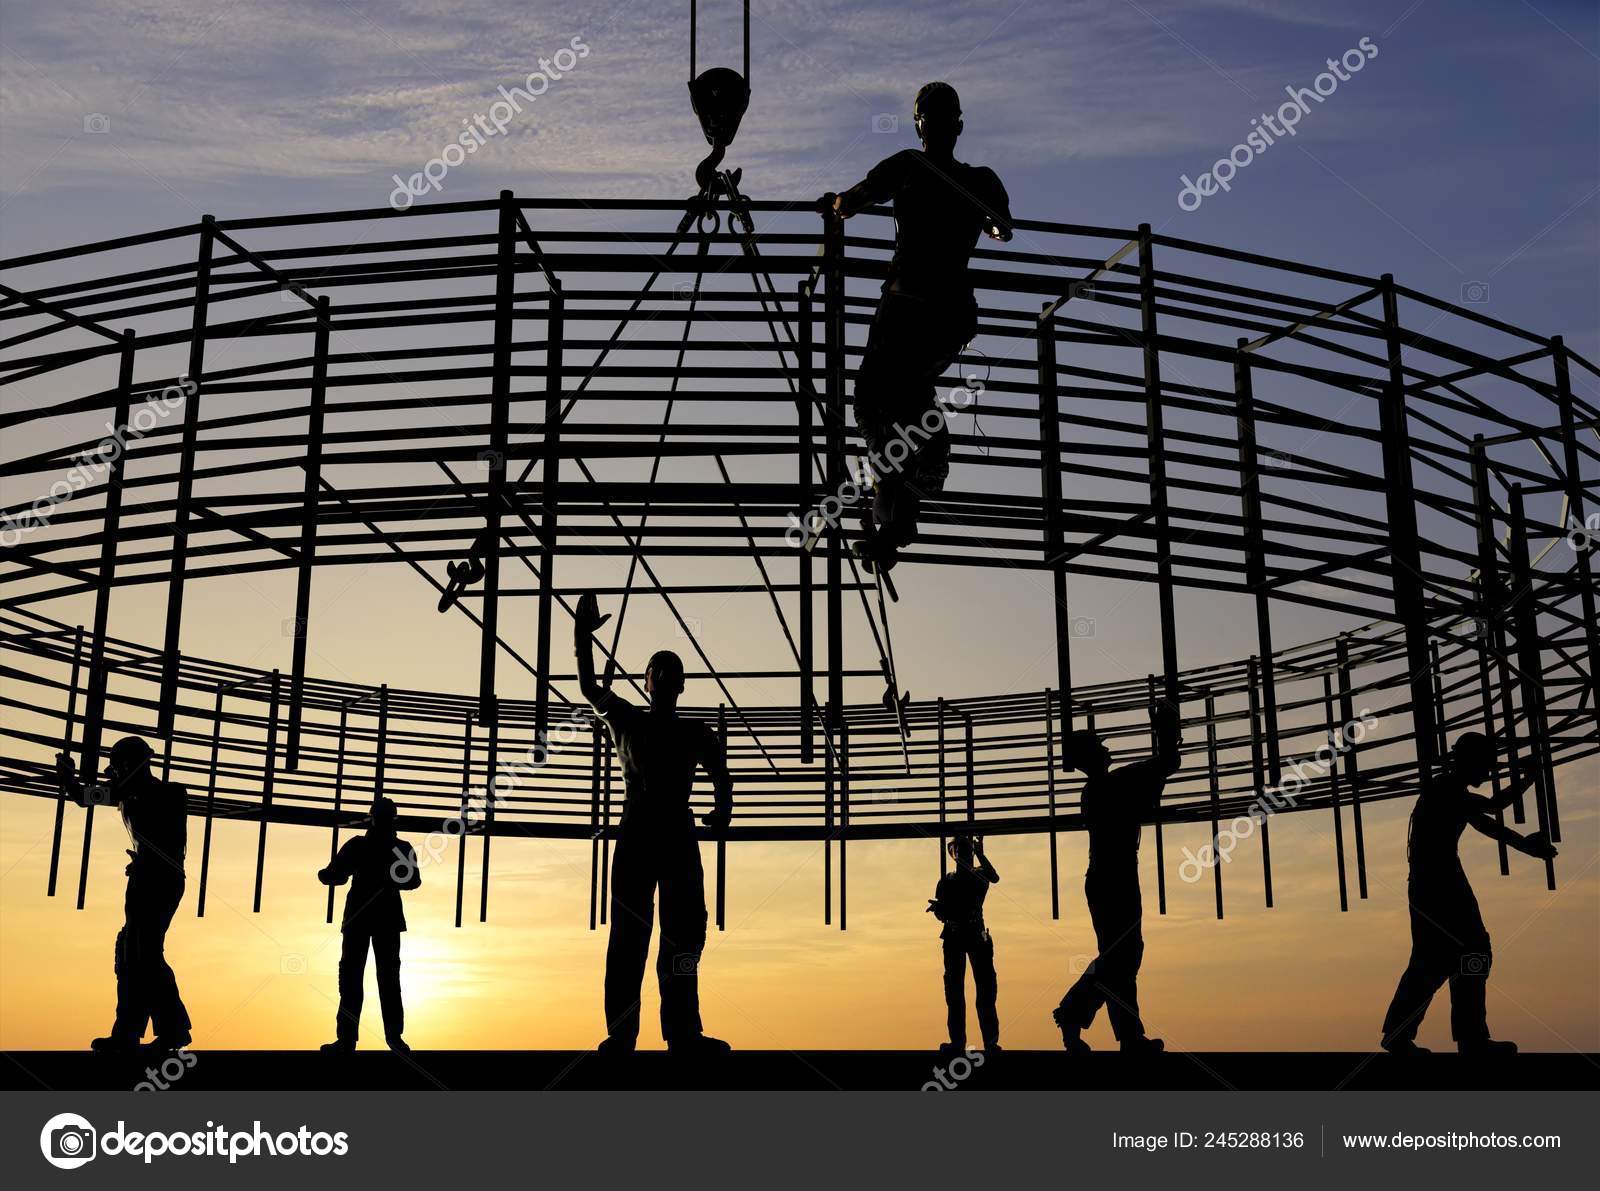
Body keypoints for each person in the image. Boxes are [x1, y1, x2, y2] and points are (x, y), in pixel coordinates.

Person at [818, 81, 1013, 574]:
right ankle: (904, 498)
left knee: (871, 397)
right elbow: (1001, 228)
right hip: (951, 313)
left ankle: (901, 487)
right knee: (912, 394)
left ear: (920, 125)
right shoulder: (981, 179)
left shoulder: (908, 165)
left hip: (907, 307)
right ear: (959, 125)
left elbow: (854, 200)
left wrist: (835, 207)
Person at [574, 592, 734, 1057]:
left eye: (671, 674)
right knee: (630, 937)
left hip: (667, 834)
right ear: (648, 684)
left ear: (679, 686)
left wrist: (723, 808)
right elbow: (588, 688)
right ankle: (626, 1034)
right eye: (657, 672)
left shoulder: (693, 733)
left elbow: (723, 775)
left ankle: (681, 1032)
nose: (663, 679)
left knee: (680, 936)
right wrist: (582, 640)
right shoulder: (629, 722)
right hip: (643, 833)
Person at [1380, 732, 1555, 1056]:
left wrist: (1527, 847)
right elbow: (1494, 805)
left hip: (1436, 883)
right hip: (1439, 885)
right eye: (1486, 766)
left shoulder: (1449, 791)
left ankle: (1437, 1035)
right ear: (1470, 761)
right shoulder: (1444, 790)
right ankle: (1459, 1036)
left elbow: (1488, 825)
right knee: (1455, 954)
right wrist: (1531, 776)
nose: (1488, 774)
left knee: (1445, 956)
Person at [1052, 702, 1181, 1054]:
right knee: (1119, 958)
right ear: (1089, 756)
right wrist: (1167, 728)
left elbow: (1159, 770)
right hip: (1115, 877)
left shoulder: (1098, 789)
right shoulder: (1111, 785)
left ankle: (1126, 1035)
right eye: (1099, 745)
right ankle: (1075, 1014)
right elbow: (1166, 765)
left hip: (1108, 876)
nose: (1107, 747)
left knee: (1121, 957)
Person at [56, 736, 192, 1055]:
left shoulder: (167, 792)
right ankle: (132, 1032)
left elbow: (99, 796)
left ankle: (165, 1030)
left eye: (117, 766)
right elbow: (88, 796)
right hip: (147, 878)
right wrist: (70, 781)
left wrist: (74, 781)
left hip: (160, 880)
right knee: (134, 953)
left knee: (143, 952)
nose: (112, 772)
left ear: (131, 765)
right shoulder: (128, 793)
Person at [318, 797, 420, 1054]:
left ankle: (354, 1039)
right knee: (377, 979)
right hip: (375, 920)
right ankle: (384, 1038)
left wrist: (330, 875)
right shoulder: (394, 847)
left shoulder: (363, 846)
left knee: (362, 978)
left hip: (364, 920)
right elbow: (337, 874)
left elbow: (337, 874)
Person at [927, 834, 1001, 1055]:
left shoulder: (979, 876)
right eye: (960, 852)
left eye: (967, 852)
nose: (963, 856)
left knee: (985, 991)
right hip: (954, 936)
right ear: (954, 854)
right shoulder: (946, 881)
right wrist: (939, 911)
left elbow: (994, 877)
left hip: (976, 937)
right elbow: (943, 912)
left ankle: (990, 1042)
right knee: (954, 992)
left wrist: (980, 853)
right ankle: (958, 1042)